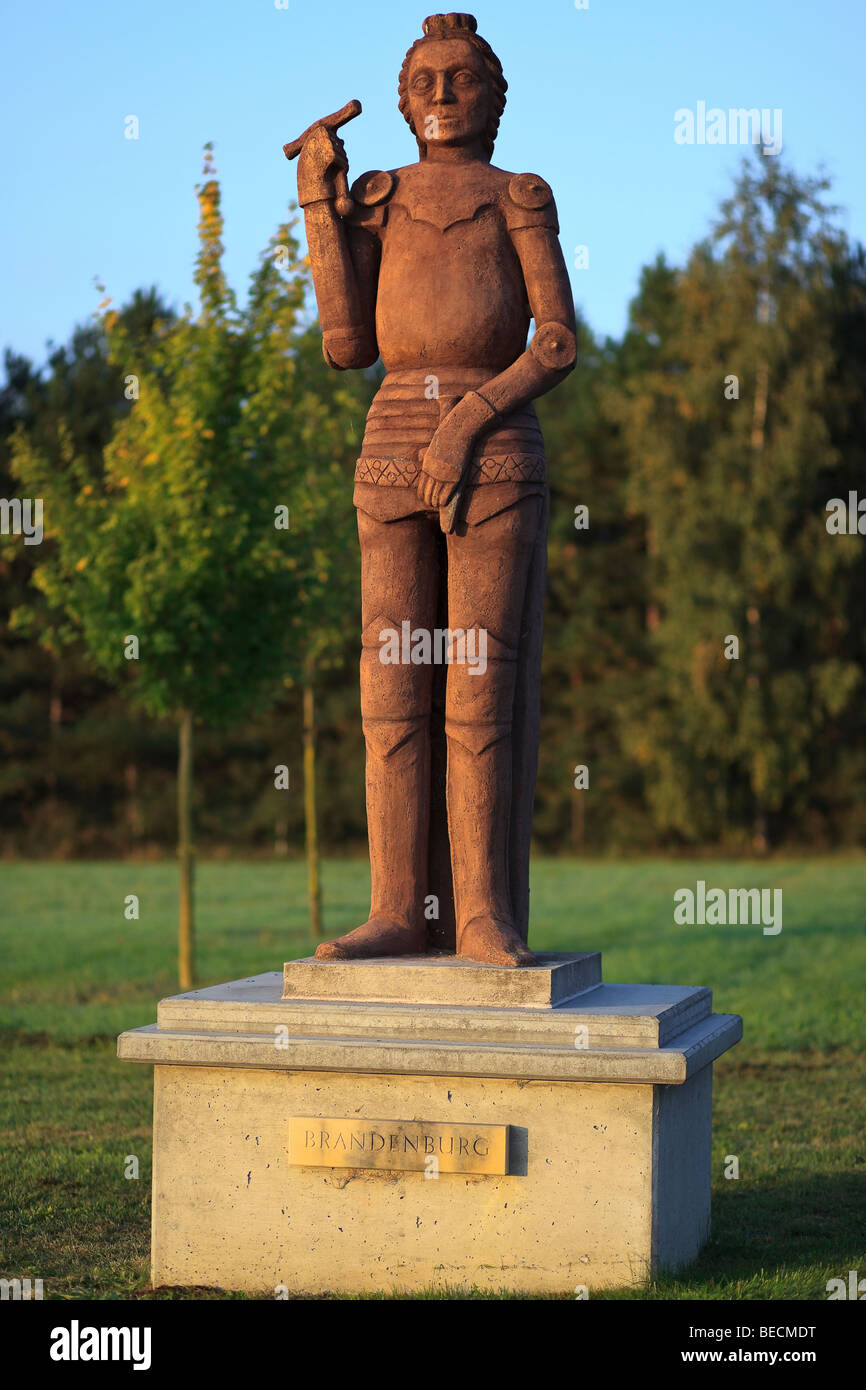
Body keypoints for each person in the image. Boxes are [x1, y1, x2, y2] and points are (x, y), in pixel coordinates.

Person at [295, 12, 576, 965]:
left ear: (497, 97)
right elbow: (347, 346)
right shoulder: (378, 196)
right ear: (405, 100)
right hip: (389, 448)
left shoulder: (519, 195)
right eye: (427, 82)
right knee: (389, 691)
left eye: (463, 79)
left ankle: (483, 914)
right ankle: (397, 908)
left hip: (491, 449)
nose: (444, 94)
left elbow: (556, 341)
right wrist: (317, 209)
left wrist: (467, 421)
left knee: (477, 687)